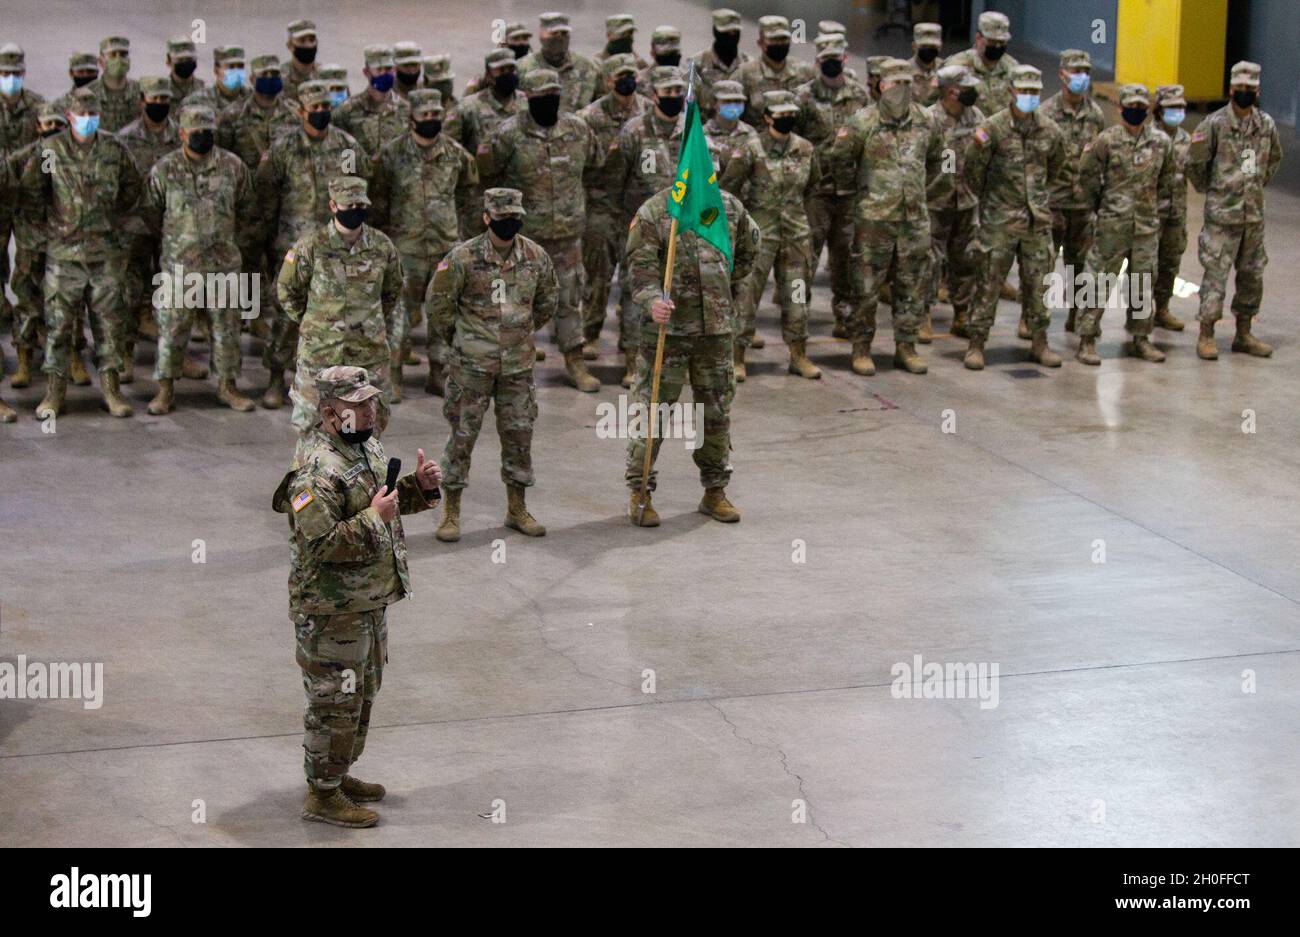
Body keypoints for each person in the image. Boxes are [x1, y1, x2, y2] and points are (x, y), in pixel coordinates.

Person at [273, 365, 442, 829]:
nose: (371, 410)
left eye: (371, 402)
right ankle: (321, 794)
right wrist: (376, 517)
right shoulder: (313, 471)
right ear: (330, 413)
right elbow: (323, 543)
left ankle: (338, 775)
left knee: (361, 694)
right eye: (358, 406)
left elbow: (379, 502)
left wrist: (418, 490)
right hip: (330, 612)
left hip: (365, 602)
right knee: (333, 703)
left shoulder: (362, 443)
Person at [623, 186, 761, 526]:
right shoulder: (655, 211)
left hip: (715, 329)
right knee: (652, 411)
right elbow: (639, 270)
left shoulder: (730, 207)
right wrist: (653, 300)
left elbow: (748, 250)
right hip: (667, 333)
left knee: (715, 413)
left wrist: (720, 286)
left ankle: (715, 490)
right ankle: (640, 492)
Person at [427, 188, 558, 541]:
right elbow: (438, 305)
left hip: (517, 366)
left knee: (519, 436)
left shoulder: (535, 255)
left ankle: (517, 508)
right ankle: (451, 510)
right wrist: (466, 339)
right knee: (462, 436)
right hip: (471, 366)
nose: (510, 225)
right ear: (486, 218)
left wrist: (518, 334)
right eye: (502, 219)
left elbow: (547, 301)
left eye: (515, 219)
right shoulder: (463, 258)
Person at [477, 67, 602, 392]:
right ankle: (512, 368)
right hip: (522, 239)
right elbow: (486, 175)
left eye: (553, 96)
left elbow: (596, 166)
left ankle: (575, 360)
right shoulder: (507, 134)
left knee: (570, 299)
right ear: (526, 98)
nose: (548, 101)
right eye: (541, 96)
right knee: (516, 304)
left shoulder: (578, 130)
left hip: (567, 236)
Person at [22, 86, 142, 418]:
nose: (87, 120)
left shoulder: (114, 148)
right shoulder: (50, 150)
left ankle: (112, 391)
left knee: (108, 325)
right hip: (64, 254)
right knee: (59, 325)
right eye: (81, 115)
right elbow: (33, 191)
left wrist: (111, 219)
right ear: (69, 116)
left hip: (105, 253)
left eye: (93, 114)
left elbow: (132, 186)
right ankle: (54, 393)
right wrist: (52, 227)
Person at [255, 80, 369, 409]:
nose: (321, 113)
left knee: (333, 317)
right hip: (293, 244)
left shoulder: (347, 147)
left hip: (336, 246)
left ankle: (330, 384)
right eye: (314, 108)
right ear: (302, 111)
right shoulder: (284, 148)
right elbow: (265, 195)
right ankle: (277, 377)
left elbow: (362, 191)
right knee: (287, 313)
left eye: (325, 107)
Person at [142, 104, 260, 413]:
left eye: (208, 132)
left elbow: (249, 210)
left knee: (227, 330)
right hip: (180, 267)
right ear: (182, 133)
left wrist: (233, 247)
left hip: (224, 266)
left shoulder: (233, 166)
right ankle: (165, 390)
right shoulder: (165, 170)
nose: (203, 137)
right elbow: (151, 213)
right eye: (196, 133)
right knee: (172, 330)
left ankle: (228, 387)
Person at [831, 59, 945, 376]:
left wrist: (922, 190)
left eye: (908, 83)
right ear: (882, 86)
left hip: (914, 219)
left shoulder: (927, 121)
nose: (903, 90)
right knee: (866, 287)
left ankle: (905, 346)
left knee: (912, 285)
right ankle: (861, 348)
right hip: (873, 219)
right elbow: (840, 161)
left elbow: (938, 160)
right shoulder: (862, 123)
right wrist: (862, 195)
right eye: (896, 84)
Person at [278, 176, 402, 465]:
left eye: (361, 204)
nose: (356, 209)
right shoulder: (311, 246)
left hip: (367, 356)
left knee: (370, 429)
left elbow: (392, 291)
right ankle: (304, 496)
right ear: (333, 205)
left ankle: (360, 497)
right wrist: (315, 325)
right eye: (349, 204)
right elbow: (287, 291)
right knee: (310, 427)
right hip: (321, 356)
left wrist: (367, 324)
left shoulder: (381, 246)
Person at [370, 89, 478, 399]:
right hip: (405, 247)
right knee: (396, 316)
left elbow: (469, 198)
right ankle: (393, 374)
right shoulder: (391, 156)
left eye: (435, 115)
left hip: (445, 246)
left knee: (443, 314)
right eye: (424, 115)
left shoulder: (457, 155)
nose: (431, 120)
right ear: (411, 118)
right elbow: (378, 200)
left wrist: (464, 241)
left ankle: (438, 372)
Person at [961, 65, 1066, 371]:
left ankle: (1039, 342)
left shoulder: (1049, 130)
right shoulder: (991, 129)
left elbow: (1055, 168)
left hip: (1036, 222)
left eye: (1034, 91)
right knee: (989, 282)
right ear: (1011, 92)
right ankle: (977, 343)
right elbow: (972, 170)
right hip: (1000, 220)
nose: (1029, 97)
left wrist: (1036, 197)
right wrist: (993, 201)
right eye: (1024, 91)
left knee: (1038, 284)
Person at [720, 89, 822, 380]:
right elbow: (730, 188)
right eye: (781, 115)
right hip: (759, 234)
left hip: (795, 234)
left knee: (798, 295)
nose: (787, 119)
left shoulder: (805, 148)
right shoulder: (750, 149)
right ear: (766, 117)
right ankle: (737, 356)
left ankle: (798, 354)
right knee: (746, 295)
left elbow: (814, 185)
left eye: (791, 114)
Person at [1186, 60, 1282, 360]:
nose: (1245, 93)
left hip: (1252, 217)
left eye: (1250, 89)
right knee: (1215, 275)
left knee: (1252, 275)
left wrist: (1253, 187)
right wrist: (1216, 192)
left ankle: (1243, 333)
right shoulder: (1214, 124)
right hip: (1222, 218)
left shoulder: (1265, 125)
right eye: (1240, 88)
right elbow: (1195, 164)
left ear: (1257, 91)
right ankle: (1207, 334)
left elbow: (1274, 158)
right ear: (1230, 89)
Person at [1073, 84, 1174, 365]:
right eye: (1131, 107)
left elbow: (1166, 181)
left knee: (1142, 283)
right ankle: (1087, 339)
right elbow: (1088, 177)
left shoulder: (1161, 142)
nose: (1136, 112)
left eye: (1142, 108)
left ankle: (1141, 338)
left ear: (1149, 110)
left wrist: (1153, 211)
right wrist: (1103, 207)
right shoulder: (1106, 141)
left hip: (1145, 227)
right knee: (1099, 280)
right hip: (1112, 225)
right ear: (1120, 108)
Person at [575, 53, 647, 380]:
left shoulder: (647, 113)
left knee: (634, 283)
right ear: (607, 81)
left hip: (635, 210)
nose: (627, 80)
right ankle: (589, 334)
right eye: (620, 75)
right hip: (601, 208)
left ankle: (632, 349)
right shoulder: (589, 118)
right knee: (598, 277)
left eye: (631, 74)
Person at [794, 36, 870, 341]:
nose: (831, 62)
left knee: (845, 258)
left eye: (836, 57)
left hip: (849, 192)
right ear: (817, 61)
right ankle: (798, 320)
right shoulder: (803, 97)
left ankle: (844, 316)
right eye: (825, 57)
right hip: (816, 192)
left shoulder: (859, 96)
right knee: (805, 257)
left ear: (846, 59)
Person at [1039, 49, 1104, 336]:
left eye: (1086, 72)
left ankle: (1076, 316)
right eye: (1076, 71)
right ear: (1062, 74)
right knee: (1041, 263)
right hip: (1053, 201)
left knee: (1080, 264)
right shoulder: (1045, 113)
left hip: (1082, 204)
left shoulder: (1096, 115)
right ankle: (1033, 317)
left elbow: (1100, 158)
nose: (1082, 77)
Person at [924, 65, 984, 340]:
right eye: (967, 87)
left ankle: (962, 314)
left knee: (966, 258)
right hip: (935, 201)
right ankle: (921, 315)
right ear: (951, 91)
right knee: (929, 261)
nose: (973, 91)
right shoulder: (929, 120)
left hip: (967, 200)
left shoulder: (976, 117)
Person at [445, 49, 524, 242]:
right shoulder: (468, 108)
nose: (507, 74)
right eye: (500, 70)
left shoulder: (528, 103)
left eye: (510, 68)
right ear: (489, 74)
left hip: (522, 198)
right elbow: (449, 148)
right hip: (481, 203)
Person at [1151, 84, 1192, 332]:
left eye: (1180, 107)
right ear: (1159, 110)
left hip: (1176, 212)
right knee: (1144, 265)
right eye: (1171, 108)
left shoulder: (1187, 140)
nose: (1177, 112)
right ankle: (1139, 314)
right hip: (1151, 213)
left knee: (1170, 263)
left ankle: (1162, 309)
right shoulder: (1147, 137)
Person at [737, 16, 815, 127]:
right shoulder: (745, 73)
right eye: (774, 40)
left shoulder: (805, 72)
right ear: (760, 43)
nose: (779, 44)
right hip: (757, 141)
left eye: (783, 39)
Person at [334, 45, 411, 157]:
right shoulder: (346, 111)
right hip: (359, 173)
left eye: (388, 69)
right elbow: (342, 152)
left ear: (394, 70)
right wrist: (350, 173)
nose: (384, 74)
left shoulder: (407, 110)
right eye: (379, 70)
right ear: (366, 72)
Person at [516, 12, 599, 113]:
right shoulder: (522, 68)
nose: (559, 38)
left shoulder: (586, 67)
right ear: (541, 36)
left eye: (564, 33)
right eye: (553, 34)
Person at [943, 11, 1019, 115]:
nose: (997, 46)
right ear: (978, 38)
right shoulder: (956, 66)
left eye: (1002, 42)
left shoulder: (1012, 66)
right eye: (992, 41)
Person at [690, 8, 750, 120]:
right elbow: (689, 104)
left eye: (735, 32)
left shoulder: (748, 64)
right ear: (715, 32)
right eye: (726, 32)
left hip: (741, 131)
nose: (731, 36)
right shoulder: (697, 63)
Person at [85, 35, 140, 132]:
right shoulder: (87, 94)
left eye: (123, 54)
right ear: (101, 61)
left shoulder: (142, 92)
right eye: (113, 55)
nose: (118, 59)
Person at [283, 19, 320, 102]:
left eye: (312, 40)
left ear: (317, 42)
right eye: (302, 40)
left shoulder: (325, 75)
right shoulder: (279, 78)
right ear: (290, 45)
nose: (308, 45)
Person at [908, 23, 945, 106]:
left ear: (940, 46)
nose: (928, 49)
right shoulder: (904, 72)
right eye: (924, 46)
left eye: (933, 46)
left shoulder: (946, 70)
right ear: (914, 46)